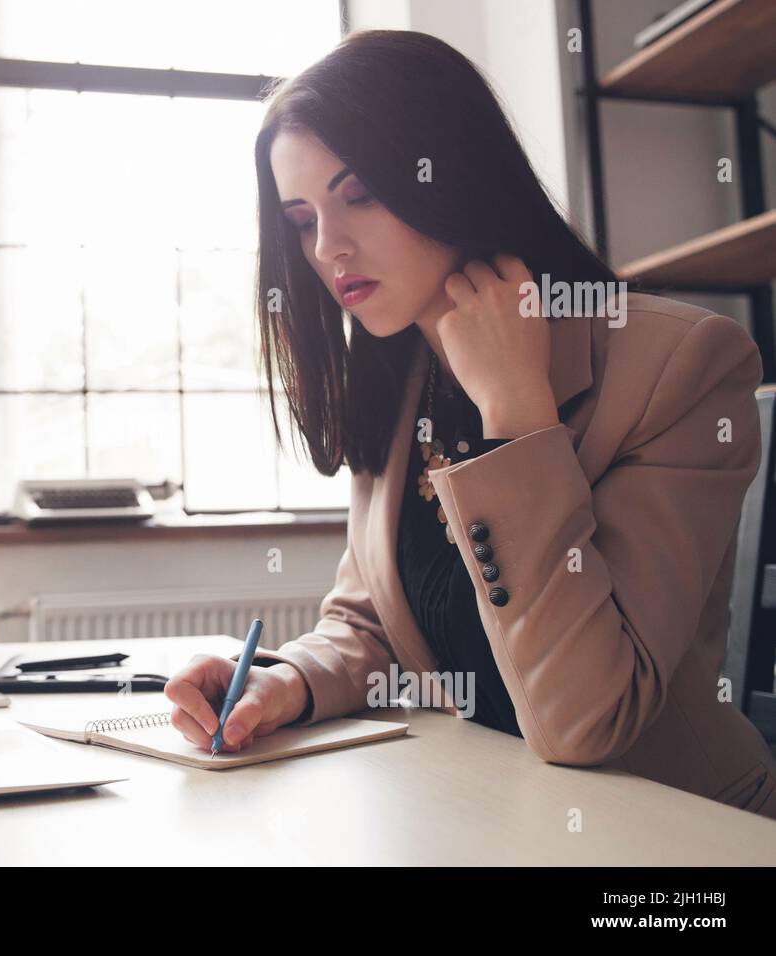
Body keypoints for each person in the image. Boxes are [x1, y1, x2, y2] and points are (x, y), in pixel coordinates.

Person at [164, 30, 776, 818]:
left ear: (449, 174)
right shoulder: (400, 373)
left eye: (361, 194)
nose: (330, 245)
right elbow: (373, 622)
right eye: (301, 216)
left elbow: (590, 720)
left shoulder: (682, 367)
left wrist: (517, 415)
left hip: (675, 840)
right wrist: (288, 683)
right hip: (495, 811)